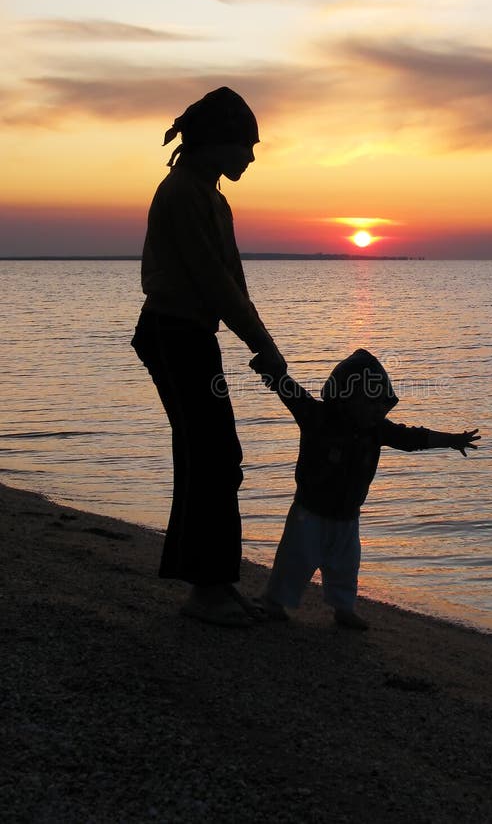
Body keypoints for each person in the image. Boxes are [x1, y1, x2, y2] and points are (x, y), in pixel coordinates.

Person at [132, 86, 286, 627]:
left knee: (215, 455)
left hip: (192, 333)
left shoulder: (212, 197)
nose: (250, 157)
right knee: (211, 455)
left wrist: (263, 346)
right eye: (246, 145)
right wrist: (263, 345)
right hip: (172, 332)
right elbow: (212, 281)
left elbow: (234, 282)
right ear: (218, 142)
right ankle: (205, 591)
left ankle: (216, 581)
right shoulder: (181, 194)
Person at [250, 348, 480, 629]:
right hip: (308, 513)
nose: (377, 410)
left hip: (348, 516)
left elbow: (412, 438)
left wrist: (451, 440)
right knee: (294, 560)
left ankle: (343, 608)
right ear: (346, 396)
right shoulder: (317, 417)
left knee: (346, 567)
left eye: (380, 405)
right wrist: (271, 372)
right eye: (370, 402)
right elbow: (290, 392)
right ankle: (274, 602)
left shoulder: (376, 429)